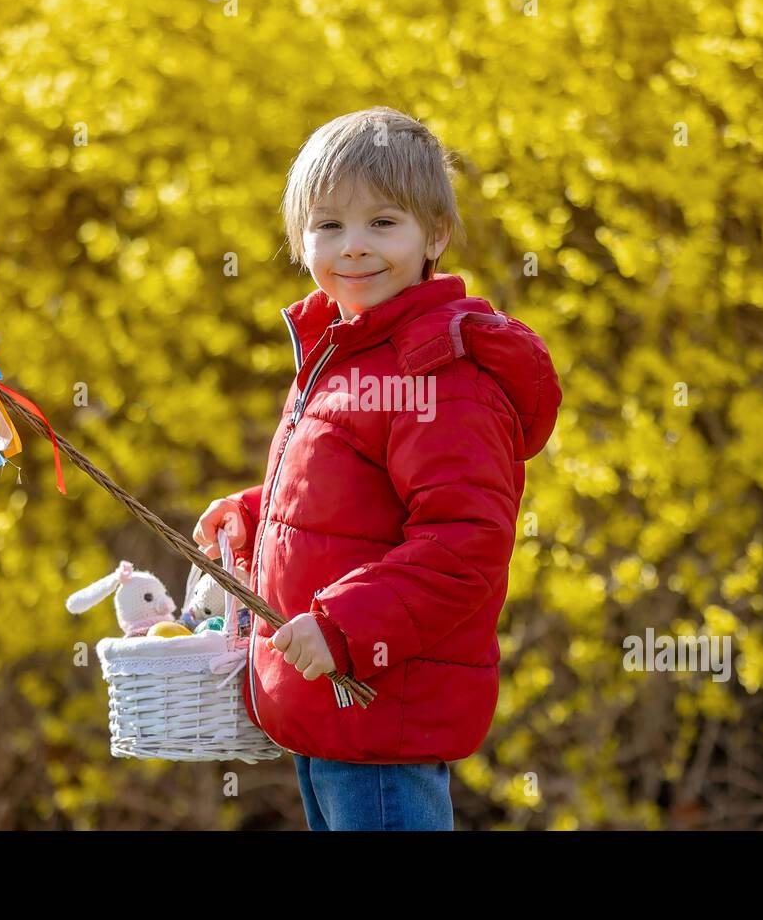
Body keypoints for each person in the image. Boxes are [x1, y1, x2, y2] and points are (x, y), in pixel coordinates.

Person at [193, 106, 561, 830]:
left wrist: (342, 628)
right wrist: (256, 511)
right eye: (328, 225)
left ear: (436, 236)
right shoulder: (348, 353)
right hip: (326, 704)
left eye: (383, 222)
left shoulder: (441, 373)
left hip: (380, 715)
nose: (353, 248)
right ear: (301, 242)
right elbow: (342, 501)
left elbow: (464, 542)